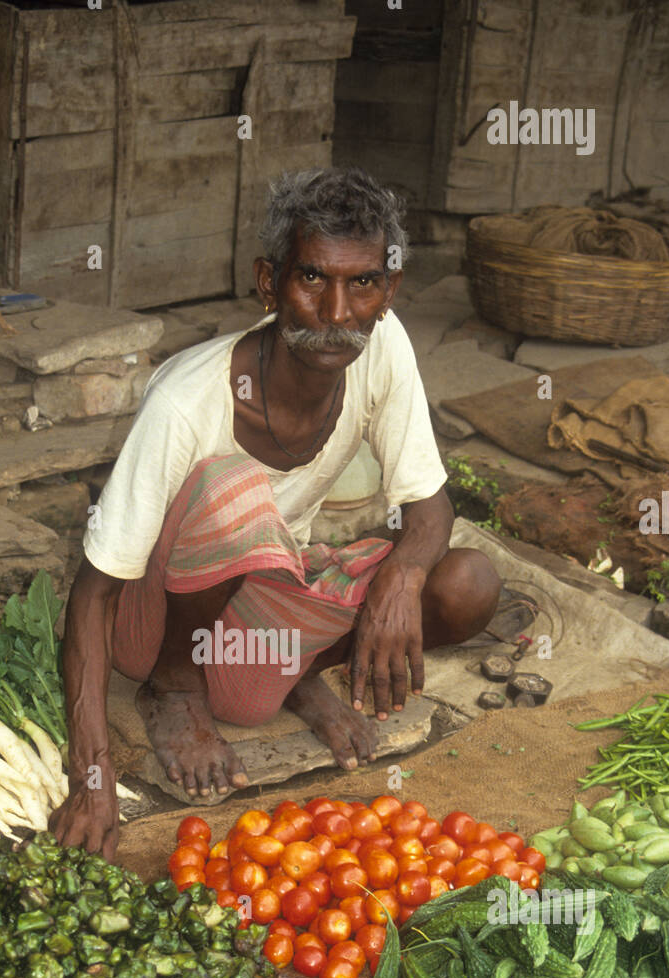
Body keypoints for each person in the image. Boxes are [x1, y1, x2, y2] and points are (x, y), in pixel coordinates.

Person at [51, 167, 501, 856]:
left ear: (390, 291)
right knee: (232, 488)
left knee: (466, 584)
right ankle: (174, 691)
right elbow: (93, 591)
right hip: (154, 623)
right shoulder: (188, 399)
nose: (337, 313)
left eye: (364, 284)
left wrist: (403, 579)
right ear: (270, 283)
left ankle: (295, 677)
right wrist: (91, 774)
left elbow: (429, 506)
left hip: (256, 628)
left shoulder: (382, 347)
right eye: (313, 279)